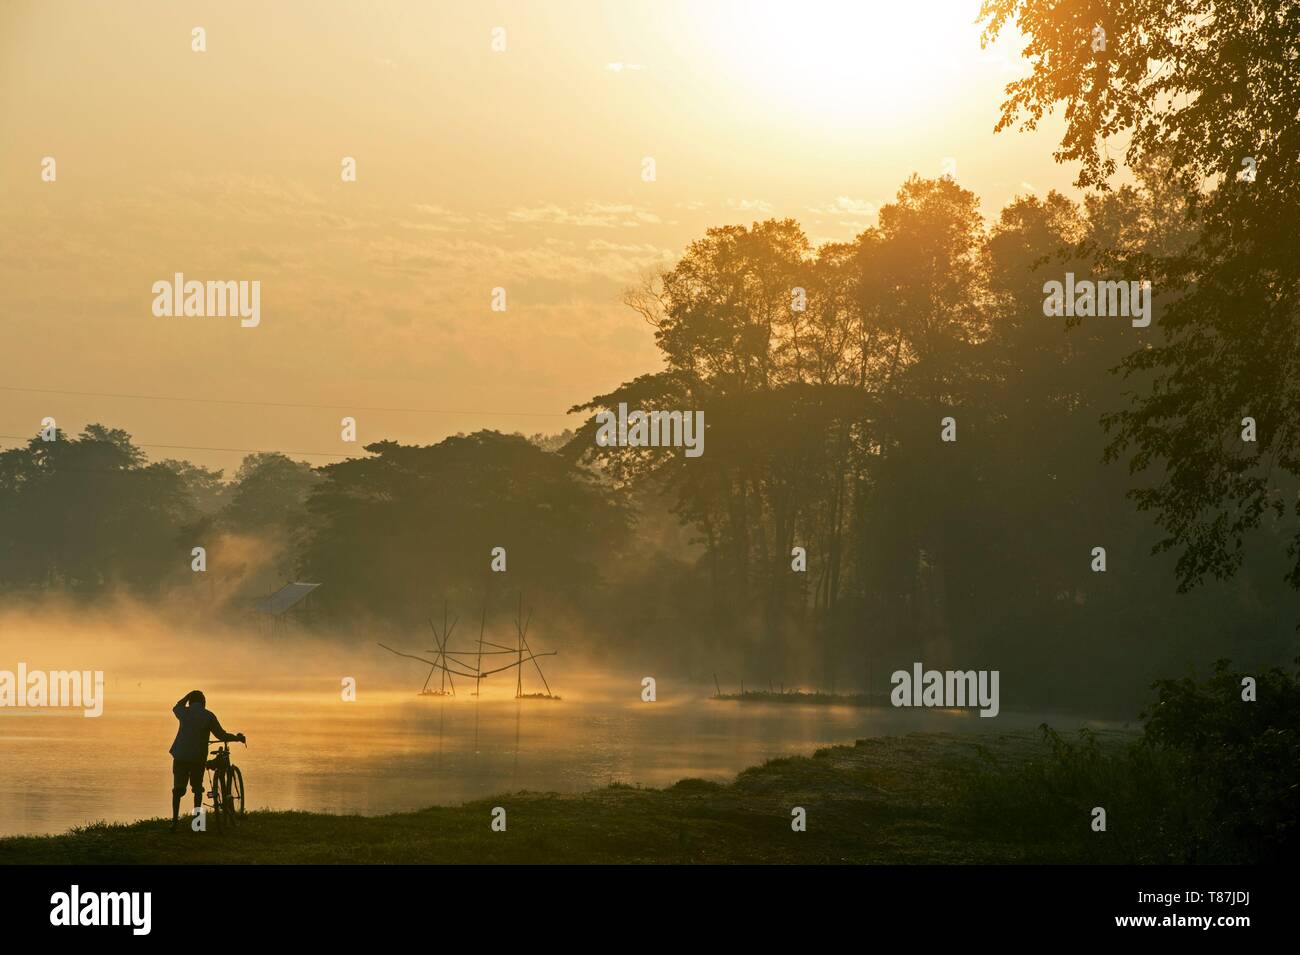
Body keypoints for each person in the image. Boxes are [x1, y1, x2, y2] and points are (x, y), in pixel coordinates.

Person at [169, 690, 245, 831]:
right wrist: (237, 738)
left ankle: (174, 822)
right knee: (197, 789)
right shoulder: (208, 716)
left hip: (180, 755)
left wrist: (187, 696)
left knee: (178, 790)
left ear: (190, 702)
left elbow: (176, 707)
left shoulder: (184, 713)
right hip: (197, 758)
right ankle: (197, 824)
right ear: (203, 702)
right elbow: (221, 735)